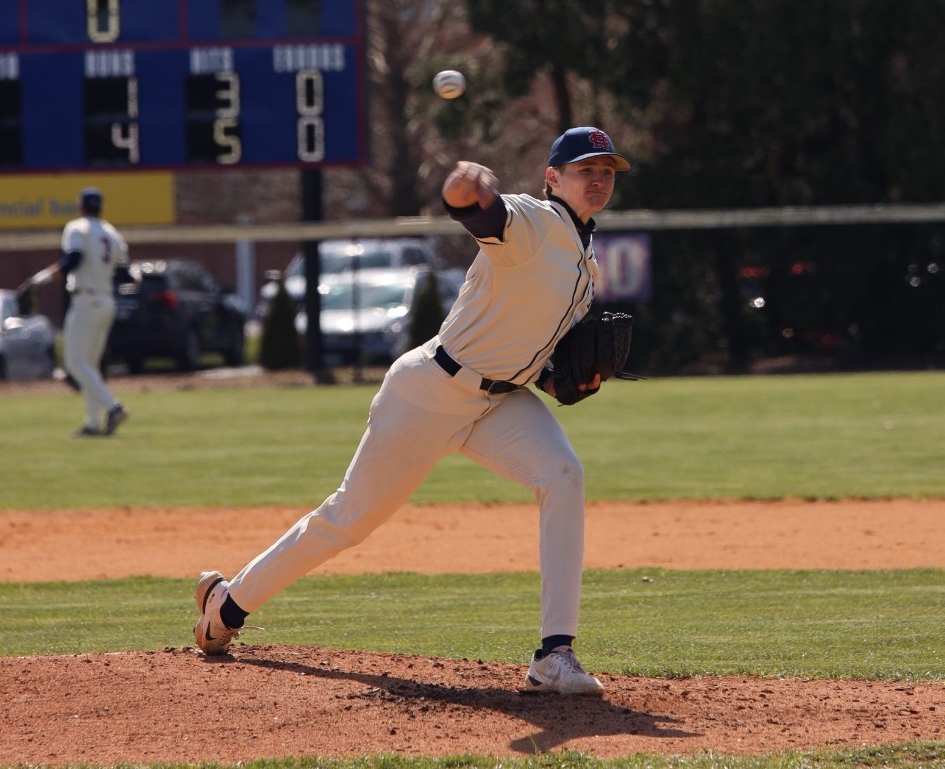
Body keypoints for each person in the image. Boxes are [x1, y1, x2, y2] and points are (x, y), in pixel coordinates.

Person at [194, 126, 631, 696]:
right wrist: (464, 188)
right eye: (585, 170)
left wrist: (559, 380)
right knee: (350, 519)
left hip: (498, 400)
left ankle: (555, 655)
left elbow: (530, 347)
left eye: (606, 171)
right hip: (430, 392)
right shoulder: (535, 221)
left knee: (564, 476)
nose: (598, 179)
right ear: (553, 178)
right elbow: (479, 214)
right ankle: (228, 605)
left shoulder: (584, 255)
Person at [19, 187, 130, 436]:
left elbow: (73, 260)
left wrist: (38, 280)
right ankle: (93, 422)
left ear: (81, 206)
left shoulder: (77, 228)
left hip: (86, 300)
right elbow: (124, 273)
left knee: (74, 363)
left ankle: (113, 407)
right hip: (106, 300)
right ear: (101, 208)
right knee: (90, 365)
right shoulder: (112, 233)